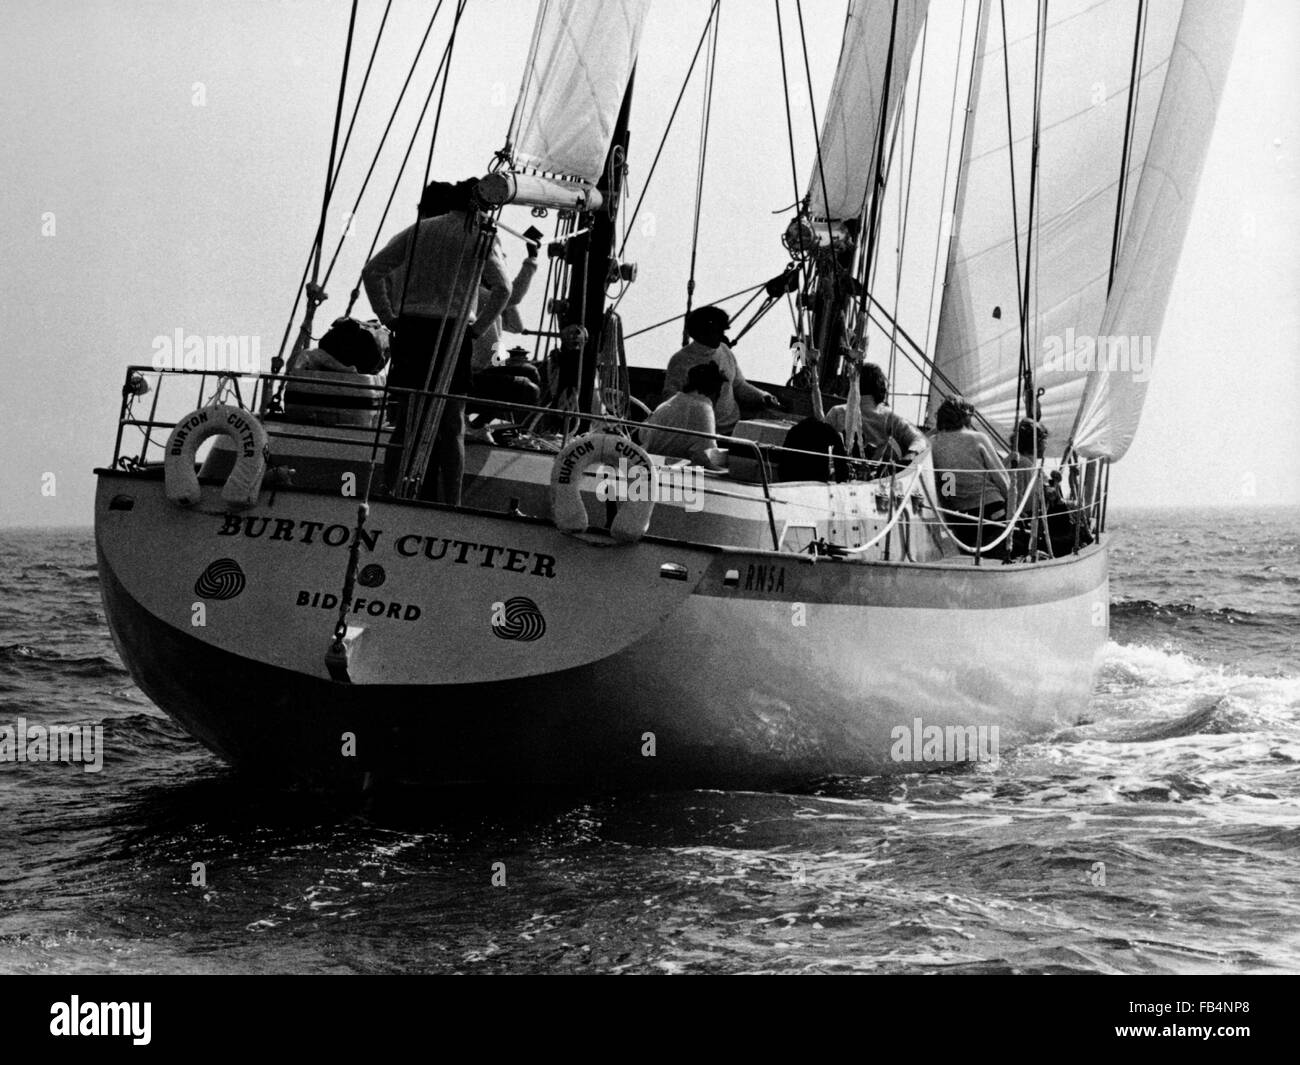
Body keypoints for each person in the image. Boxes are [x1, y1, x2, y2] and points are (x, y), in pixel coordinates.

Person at [362, 178, 509, 504]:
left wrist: (387, 316)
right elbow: (503, 289)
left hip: (412, 330)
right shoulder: (482, 236)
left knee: (405, 425)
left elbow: (372, 271)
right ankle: (452, 503)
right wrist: (478, 328)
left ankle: (387, 491)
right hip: (454, 332)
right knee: (452, 425)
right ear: (478, 205)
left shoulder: (419, 231)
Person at [662, 306, 779, 437]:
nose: (722, 336)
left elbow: (738, 385)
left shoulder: (725, 351)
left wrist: (763, 396)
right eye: (717, 332)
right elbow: (670, 399)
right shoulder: (680, 360)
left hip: (732, 429)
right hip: (699, 432)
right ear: (702, 333)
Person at [927, 396, 1011, 549]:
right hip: (992, 510)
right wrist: (1016, 510)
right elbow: (1003, 480)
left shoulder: (933, 443)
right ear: (965, 417)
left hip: (959, 516)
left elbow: (945, 484)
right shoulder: (978, 438)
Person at [822, 361, 924, 466]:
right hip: (872, 478)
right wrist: (912, 453)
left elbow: (819, 441)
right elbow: (919, 439)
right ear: (879, 386)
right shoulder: (888, 416)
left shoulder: (837, 411)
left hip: (834, 474)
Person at [641, 362, 728, 470]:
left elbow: (642, 435)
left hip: (651, 466)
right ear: (716, 390)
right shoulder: (703, 408)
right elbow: (705, 457)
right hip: (672, 473)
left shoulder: (672, 402)